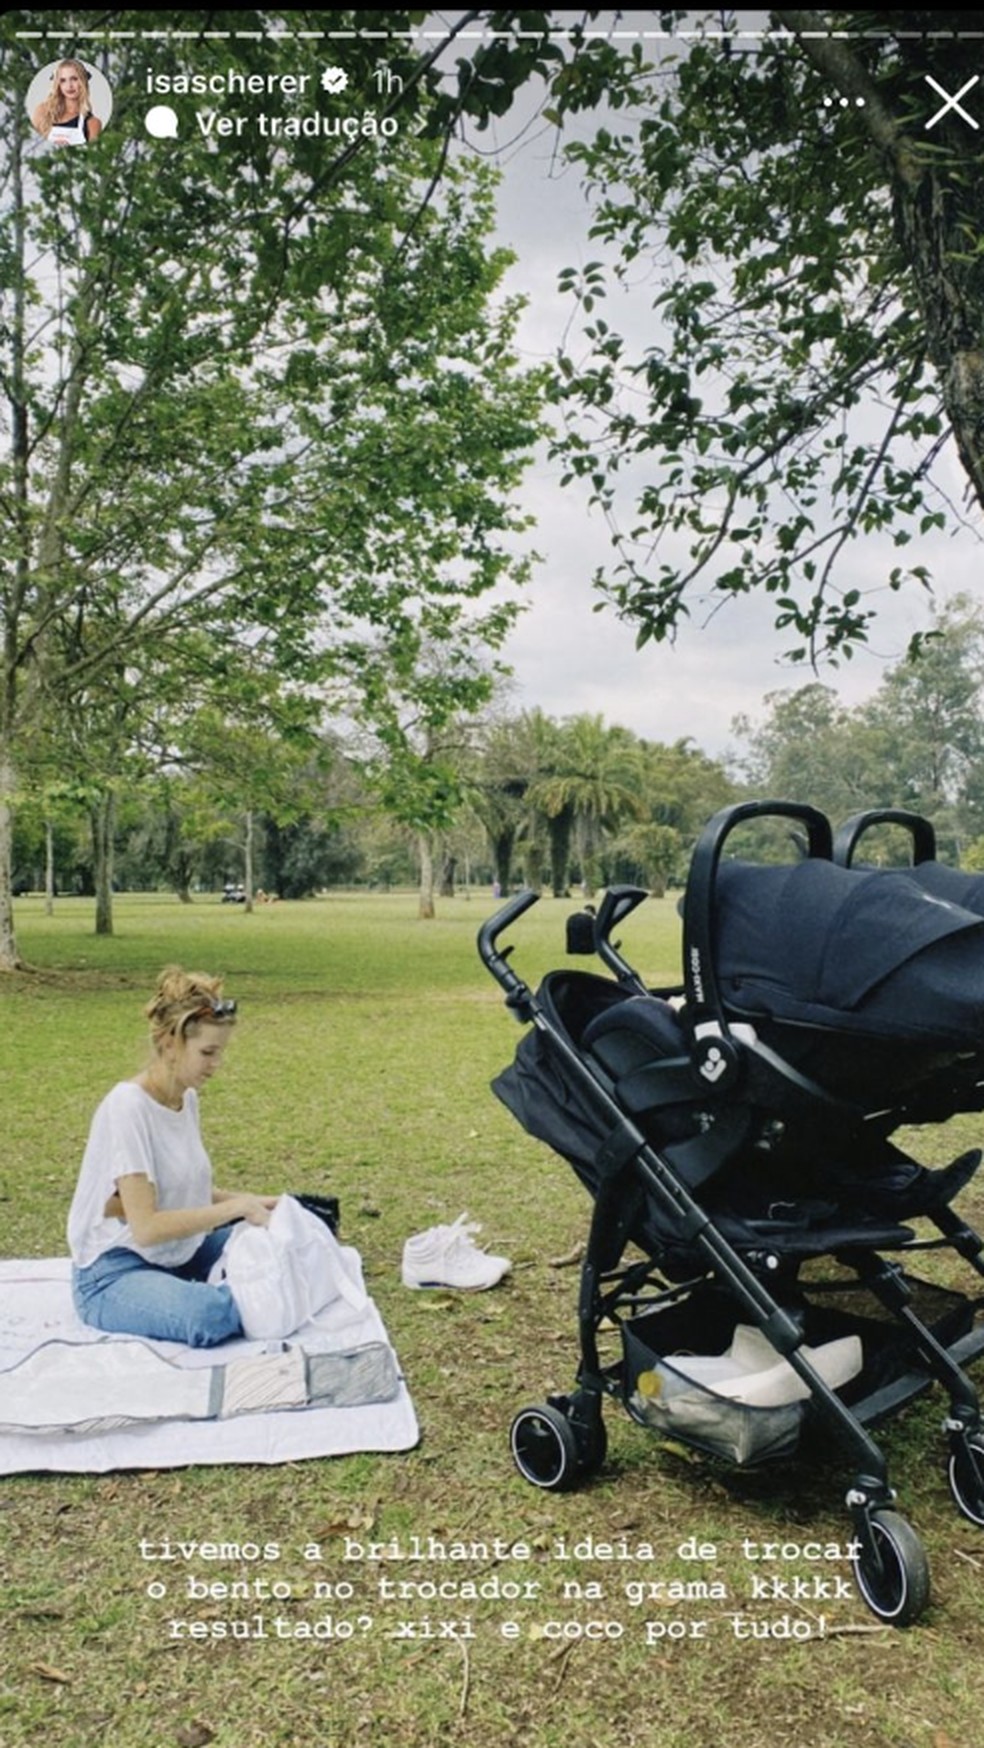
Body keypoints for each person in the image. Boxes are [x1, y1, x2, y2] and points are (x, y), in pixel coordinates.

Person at [68, 967, 276, 1347]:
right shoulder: (128, 1107)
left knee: (278, 1241)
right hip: (114, 1271)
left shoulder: (185, 1097)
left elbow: (182, 1191)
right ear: (169, 1044)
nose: (216, 1064)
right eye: (207, 1052)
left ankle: (227, 1290)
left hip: (179, 1255)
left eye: (220, 1052)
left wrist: (261, 1203)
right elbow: (146, 1226)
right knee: (211, 1315)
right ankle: (221, 1296)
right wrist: (236, 1209)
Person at [32, 59, 103, 144]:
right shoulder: (43, 112)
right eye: (63, 80)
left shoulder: (92, 123)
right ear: (58, 85)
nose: (69, 85)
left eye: (74, 79)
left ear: (83, 82)